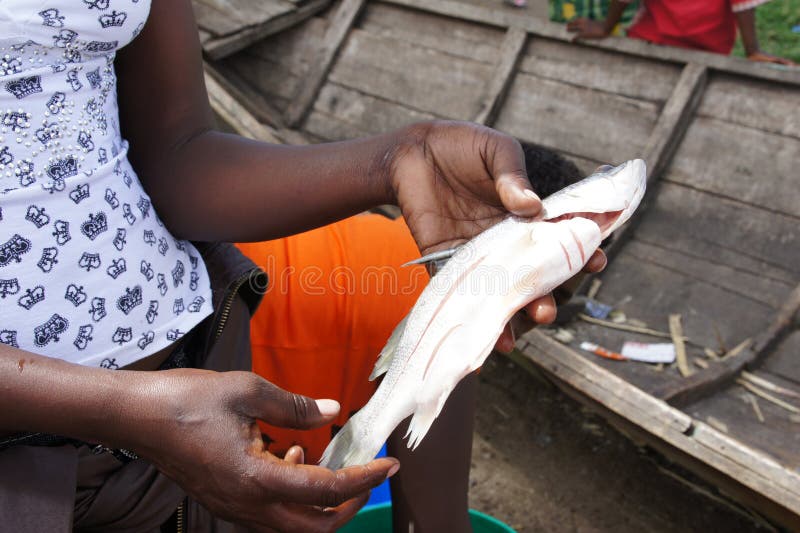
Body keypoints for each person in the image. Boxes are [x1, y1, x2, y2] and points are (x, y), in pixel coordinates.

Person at [0, 2, 605, 532]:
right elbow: (434, 524)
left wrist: (401, 154)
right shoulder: (440, 323)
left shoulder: (418, 276)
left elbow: (176, 155)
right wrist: (127, 409)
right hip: (76, 451)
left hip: (198, 373)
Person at [236, 144, 589, 532]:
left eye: (554, 302)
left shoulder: (367, 242)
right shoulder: (440, 322)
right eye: (530, 293)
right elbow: (436, 525)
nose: (538, 314)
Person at [566, 0, 797, 65]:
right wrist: (752, 49)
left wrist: (606, 28)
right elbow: (743, 4)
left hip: (654, 42)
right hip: (703, 50)